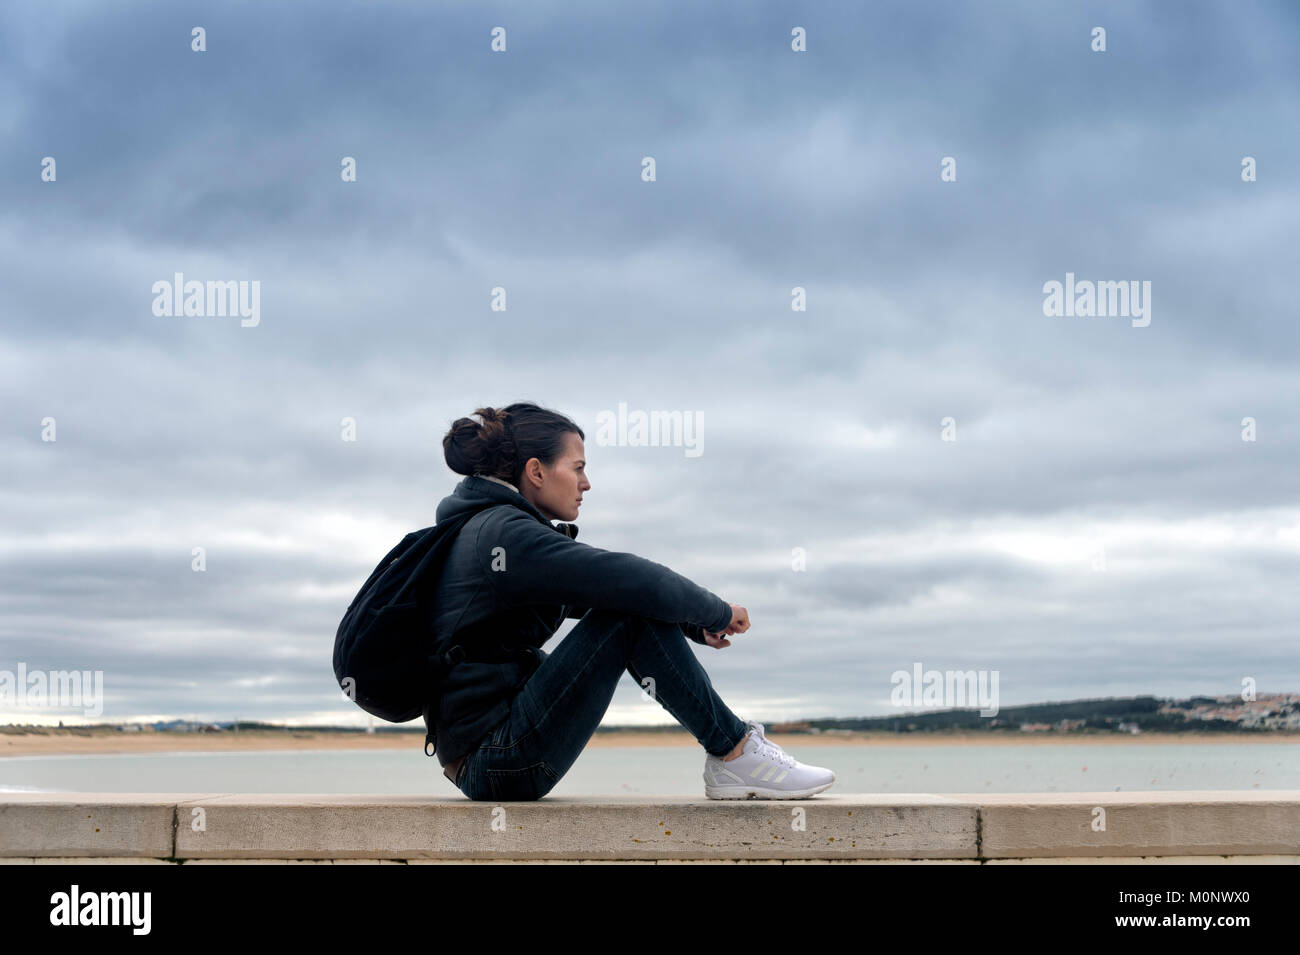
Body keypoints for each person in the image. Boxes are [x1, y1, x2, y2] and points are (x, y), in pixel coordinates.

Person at [427, 400, 836, 801]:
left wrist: (694, 624)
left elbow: (589, 598)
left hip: (487, 756)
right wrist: (719, 611)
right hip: (496, 762)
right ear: (536, 471)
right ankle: (733, 751)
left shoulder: (485, 527)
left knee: (627, 608)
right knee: (629, 616)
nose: (586, 483)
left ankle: (734, 751)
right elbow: (630, 581)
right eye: (579, 468)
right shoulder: (503, 534)